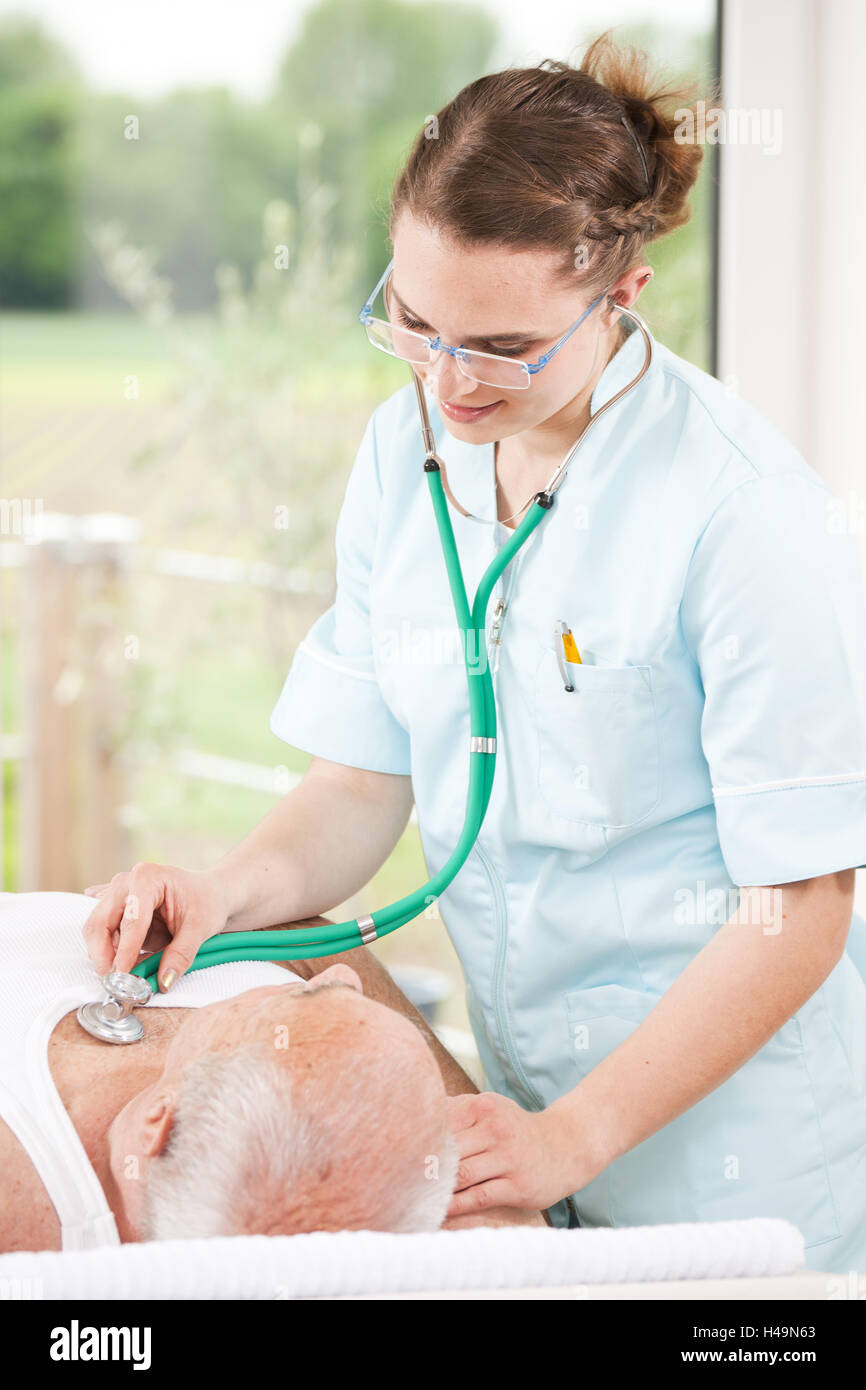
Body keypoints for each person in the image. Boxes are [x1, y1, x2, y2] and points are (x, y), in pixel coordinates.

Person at [83, 34, 866, 1270]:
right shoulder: (404, 457)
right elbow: (360, 780)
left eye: (501, 347)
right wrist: (225, 891)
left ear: (621, 295)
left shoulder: (741, 513)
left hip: (729, 1148)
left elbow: (803, 904)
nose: (447, 383)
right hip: (518, 1112)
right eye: (413, 321)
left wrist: (577, 1134)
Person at [0, 891, 544, 1253]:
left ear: (159, 1124)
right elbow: (308, 934)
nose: (339, 976)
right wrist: (225, 891)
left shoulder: (25, 1197)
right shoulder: (397, 1185)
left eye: (305, 1004)